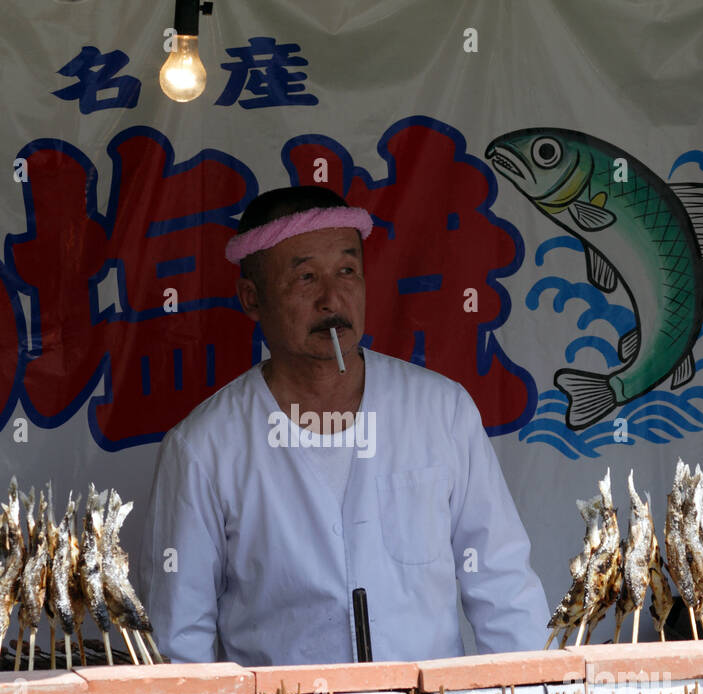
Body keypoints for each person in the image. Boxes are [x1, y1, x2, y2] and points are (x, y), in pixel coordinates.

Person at [138, 186, 548, 665]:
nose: (332, 298)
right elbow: (178, 637)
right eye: (305, 277)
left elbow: (503, 586)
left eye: (347, 271)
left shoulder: (441, 410)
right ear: (252, 297)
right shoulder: (205, 447)